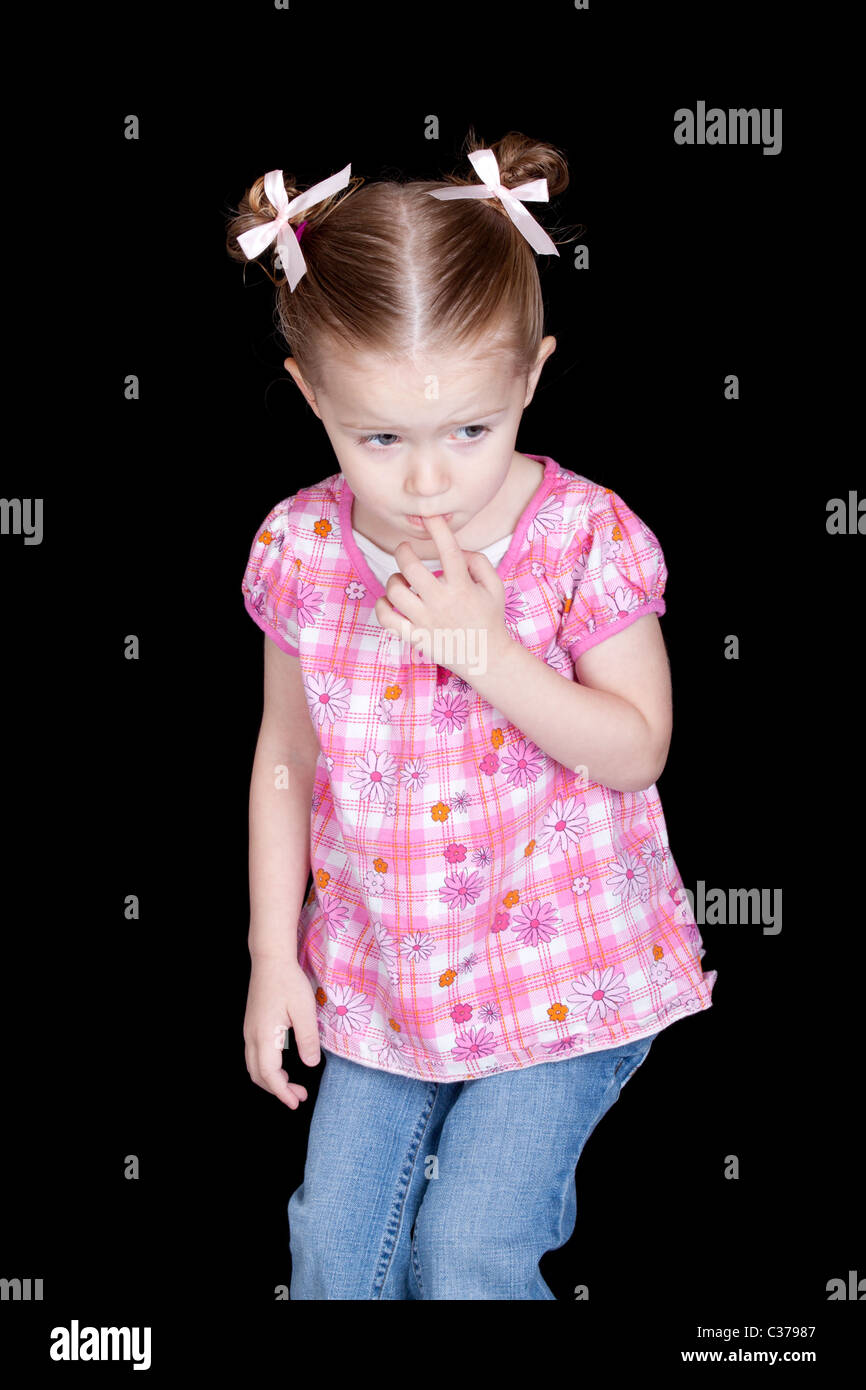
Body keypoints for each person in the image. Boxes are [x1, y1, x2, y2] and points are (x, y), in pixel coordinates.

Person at [226, 129, 717, 1300]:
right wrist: (267, 953)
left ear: (530, 378)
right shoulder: (303, 546)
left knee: (468, 1252)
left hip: (563, 965)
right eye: (378, 438)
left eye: (468, 431)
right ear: (310, 397)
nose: (428, 481)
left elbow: (635, 743)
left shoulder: (580, 537)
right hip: (387, 976)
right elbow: (284, 757)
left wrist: (484, 652)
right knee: (335, 1256)